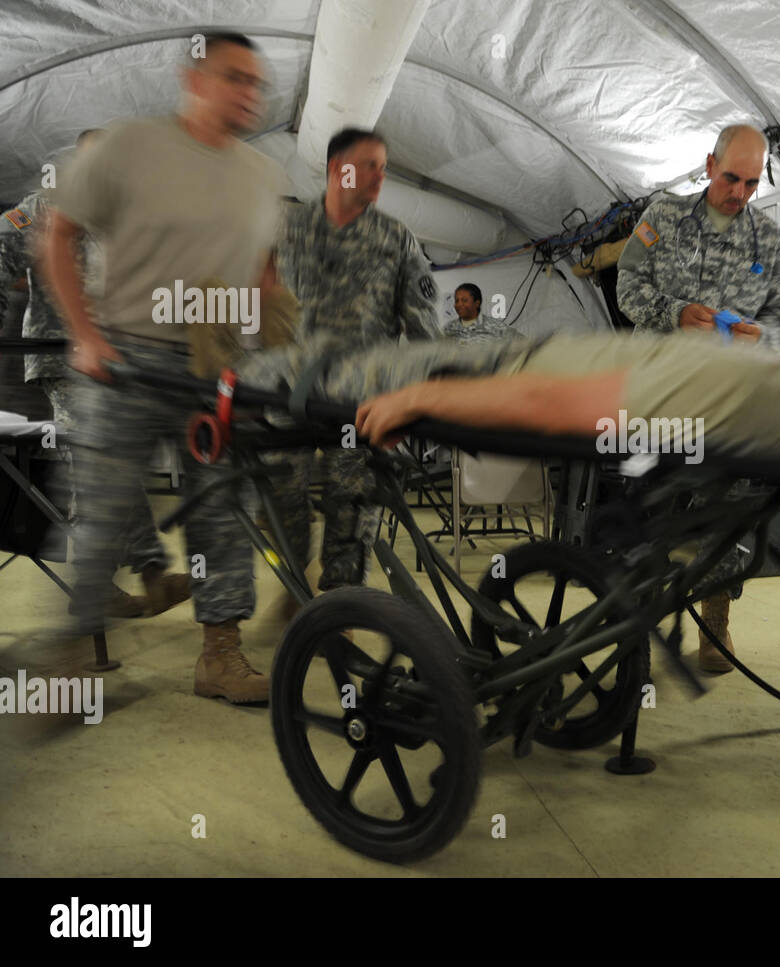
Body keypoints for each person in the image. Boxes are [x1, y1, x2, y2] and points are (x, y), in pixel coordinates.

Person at [41, 31, 286, 704]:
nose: (251, 94)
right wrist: (84, 335)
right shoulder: (130, 145)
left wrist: (269, 353)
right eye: (236, 78)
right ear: (194, 80)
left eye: (257, 83)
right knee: (104, 508)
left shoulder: (264, 175)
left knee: (223, 509)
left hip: (216, 363)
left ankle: (220, 654)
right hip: (127, 356)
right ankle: (67, 658)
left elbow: (265, 273)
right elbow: (58, 234)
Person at [239, 277, 780, 470]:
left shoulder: (753, 383)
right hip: (513, 360)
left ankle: (223, 396)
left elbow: (559, 406)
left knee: (317, 371)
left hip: (497, 368)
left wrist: (424, 397)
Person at [616, 123, 780, 672]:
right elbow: (627, 287)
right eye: (730, 178)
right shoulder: (664, 217)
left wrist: (761, 336)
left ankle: (715, 623)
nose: (739, 192)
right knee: (649, 510)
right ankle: (635, 628)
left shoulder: (769, 239)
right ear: (709, 164)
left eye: (751, 183)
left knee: (725, 514)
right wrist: (674, 313)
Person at [2, 131, 191, 618]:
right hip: (63, 356)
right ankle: (103, 586)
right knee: (98, 458)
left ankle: (147, 572)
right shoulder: (47, 205)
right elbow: (1, 248)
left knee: (115, 460)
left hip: (119, 362)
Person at [270, 127, 440, 601]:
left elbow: (425, 330)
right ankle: (294, 584)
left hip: (359, 400)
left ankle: (342, 606)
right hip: (290, 394)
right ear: (335, 169)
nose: (380, 176)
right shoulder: (289, 231)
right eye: (369, 165)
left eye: (383, 168)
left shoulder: (395, 239)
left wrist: (422, 395)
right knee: (282, 496)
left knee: (353, 502)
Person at [441, 282, 522, 343]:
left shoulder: (497, 328)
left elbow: (524, 345)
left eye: (464, 300)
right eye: (457, 301)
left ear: (477, 303)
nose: (459, 305)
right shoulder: (448, 329)